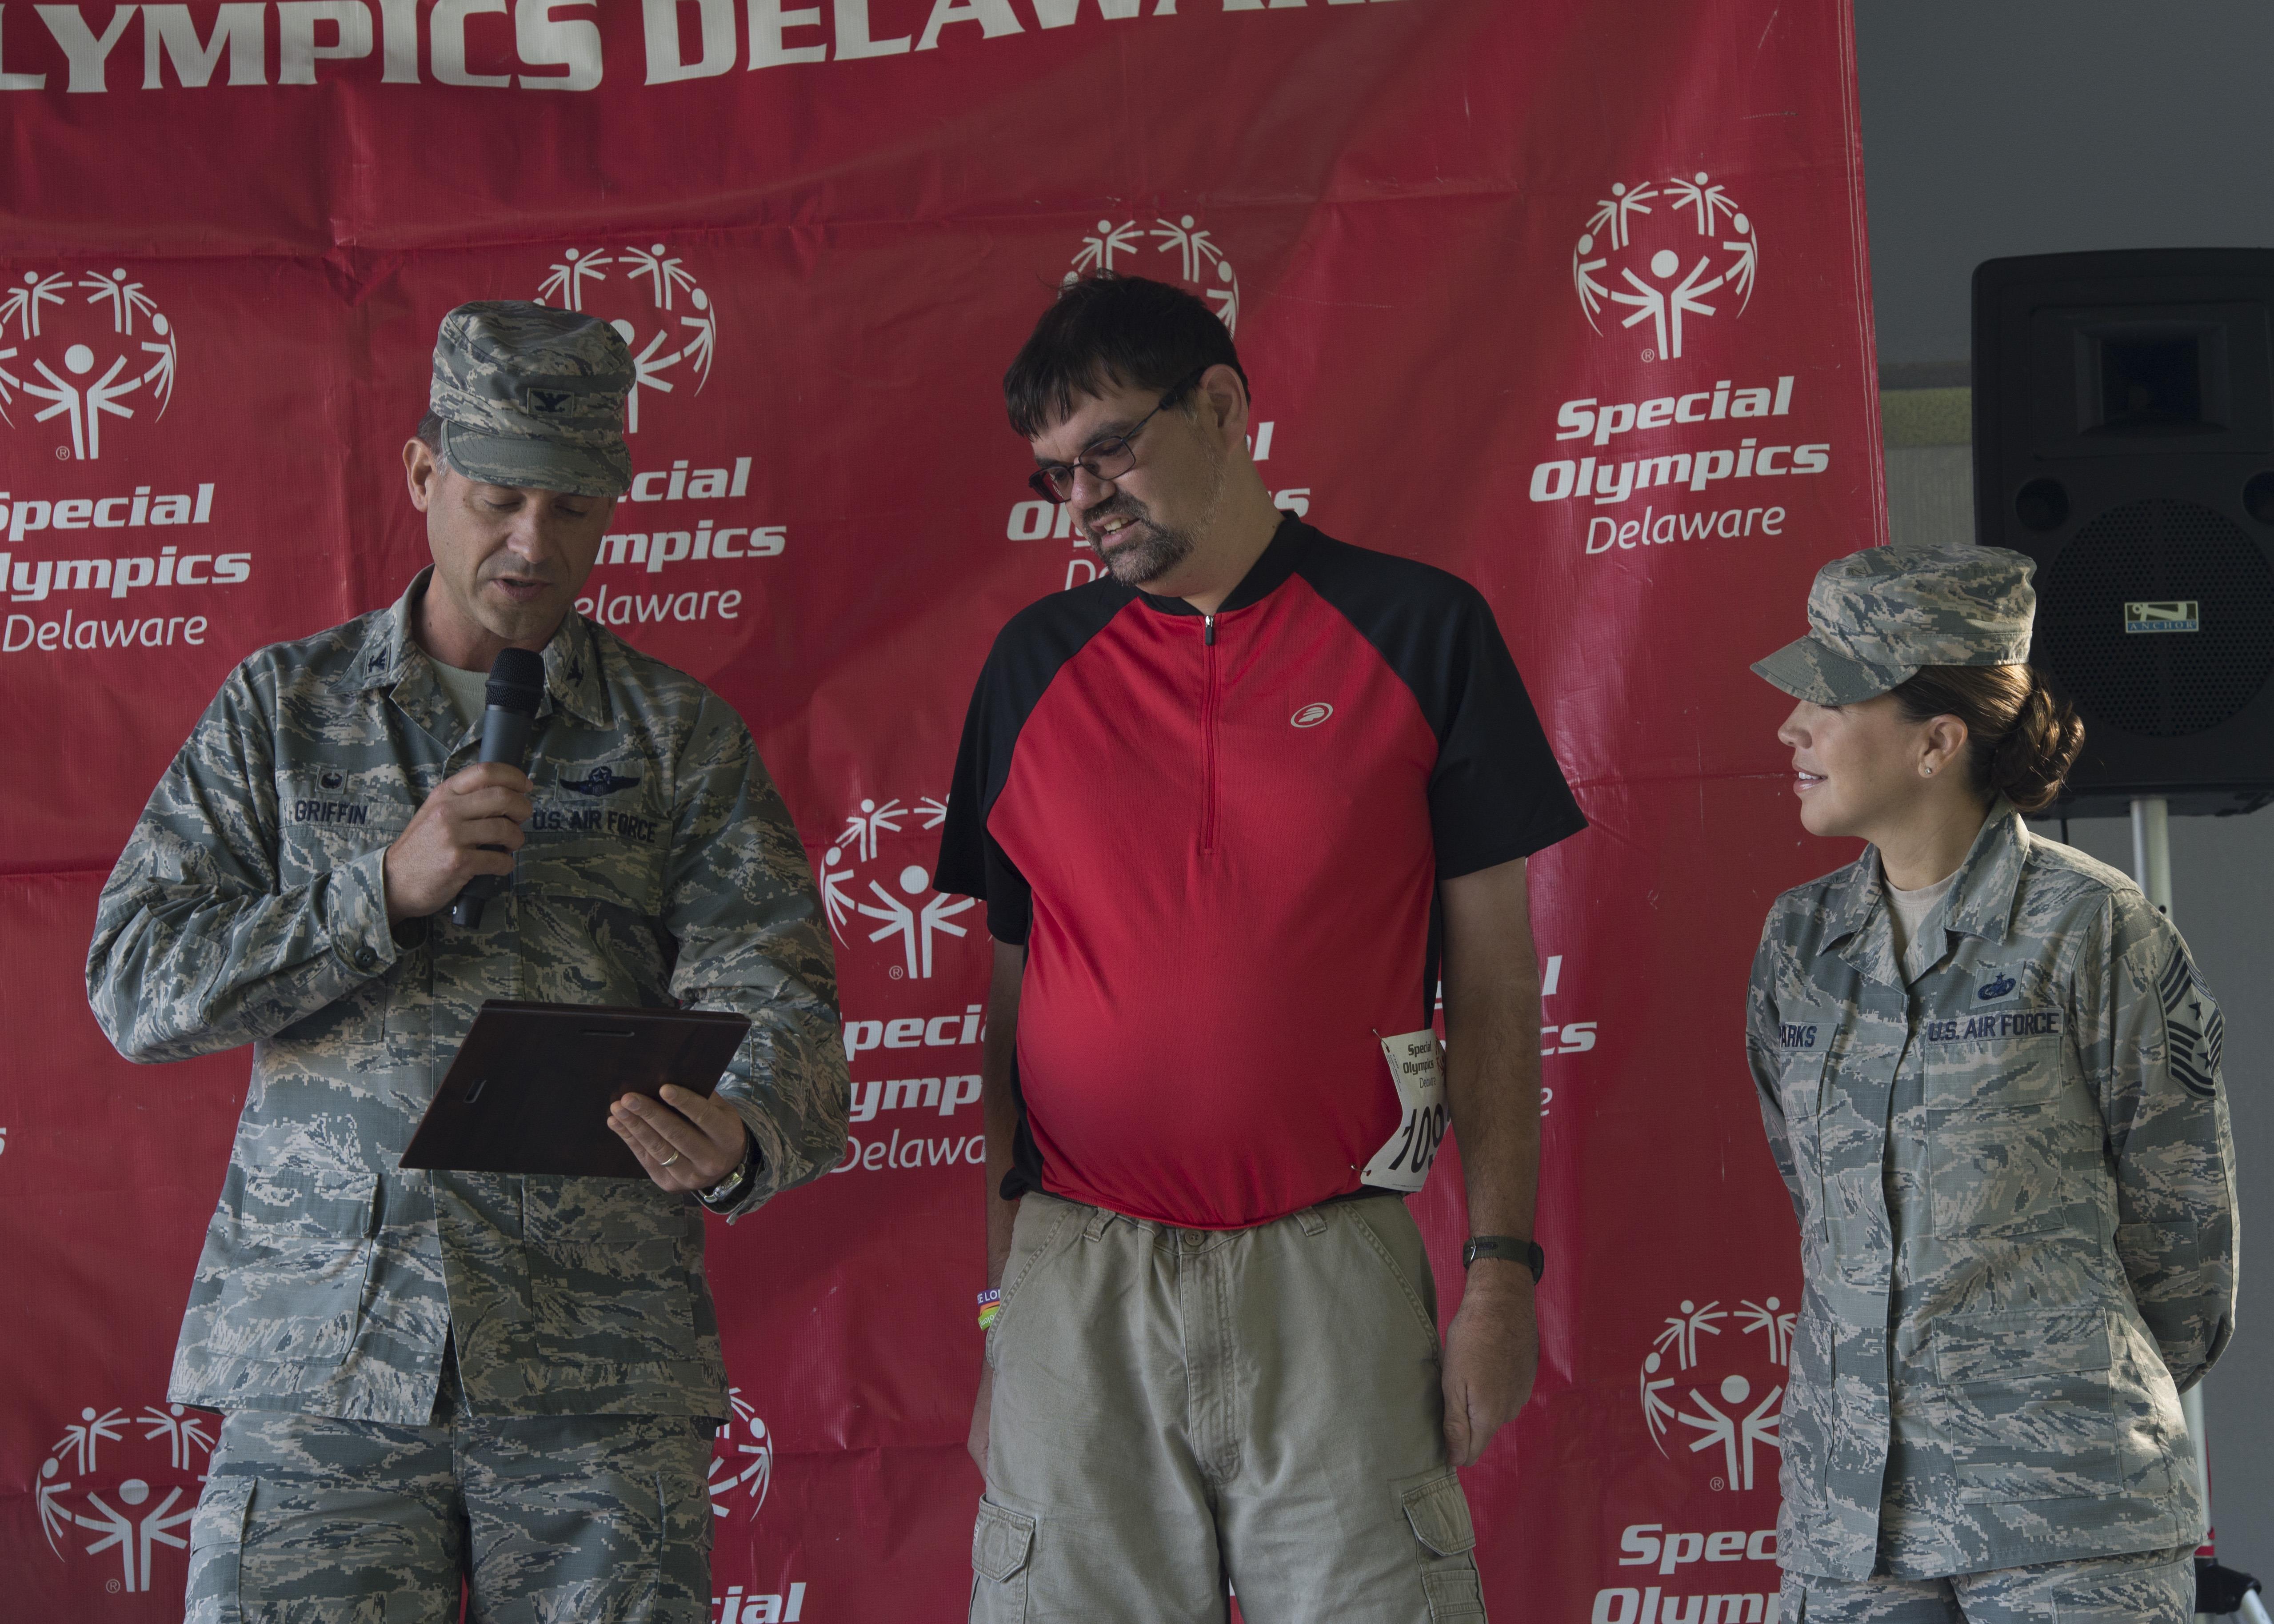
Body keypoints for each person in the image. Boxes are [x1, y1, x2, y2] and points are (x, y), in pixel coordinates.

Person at [85, 302, 847, 1623]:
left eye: (572, 512)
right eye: (497, 498)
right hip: (320, 1361)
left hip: (595, 1374)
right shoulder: (284, 710)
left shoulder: (677, 740)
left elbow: (783, 1001)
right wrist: (377, 891)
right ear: (424, 474)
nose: (530, 545)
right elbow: (135, 983)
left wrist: (742, 1130)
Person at [935, 273, 1587, 1622]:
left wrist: (1501, 1277)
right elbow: (1005, 1011)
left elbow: (1496, 989)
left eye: (1108, 446)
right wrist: (1006, 1323)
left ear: (1222, 406)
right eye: (1055, 474)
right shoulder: (1027, 665)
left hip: (1330, 1266)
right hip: (1078, 1279)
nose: (1083, 499)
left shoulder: (1419, 628)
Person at [1745, 544, 2237, 1624]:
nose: (1794, 725)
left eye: (1829, 698)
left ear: (1938, 740)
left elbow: (2184, 1242)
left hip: (2069, 1522)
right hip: (1852, 1530)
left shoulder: (2095, 928)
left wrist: (2049, 1406)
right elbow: (1824, 1207)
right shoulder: (1801, 944)